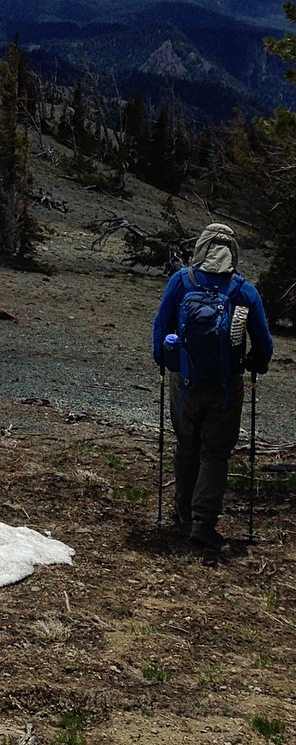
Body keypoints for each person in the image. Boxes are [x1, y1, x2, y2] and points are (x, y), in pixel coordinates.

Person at [152, 223, 273, 549]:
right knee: (215, 453)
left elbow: (160, 326)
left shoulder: (181, 281)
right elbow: (264, 343)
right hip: (225, 387)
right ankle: (203, 523)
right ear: (233, 253)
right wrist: (255, 364)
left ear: (200, 248)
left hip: (185, 384)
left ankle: (182, 516)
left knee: (186, 446)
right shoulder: (243, 291)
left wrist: (164, 360)